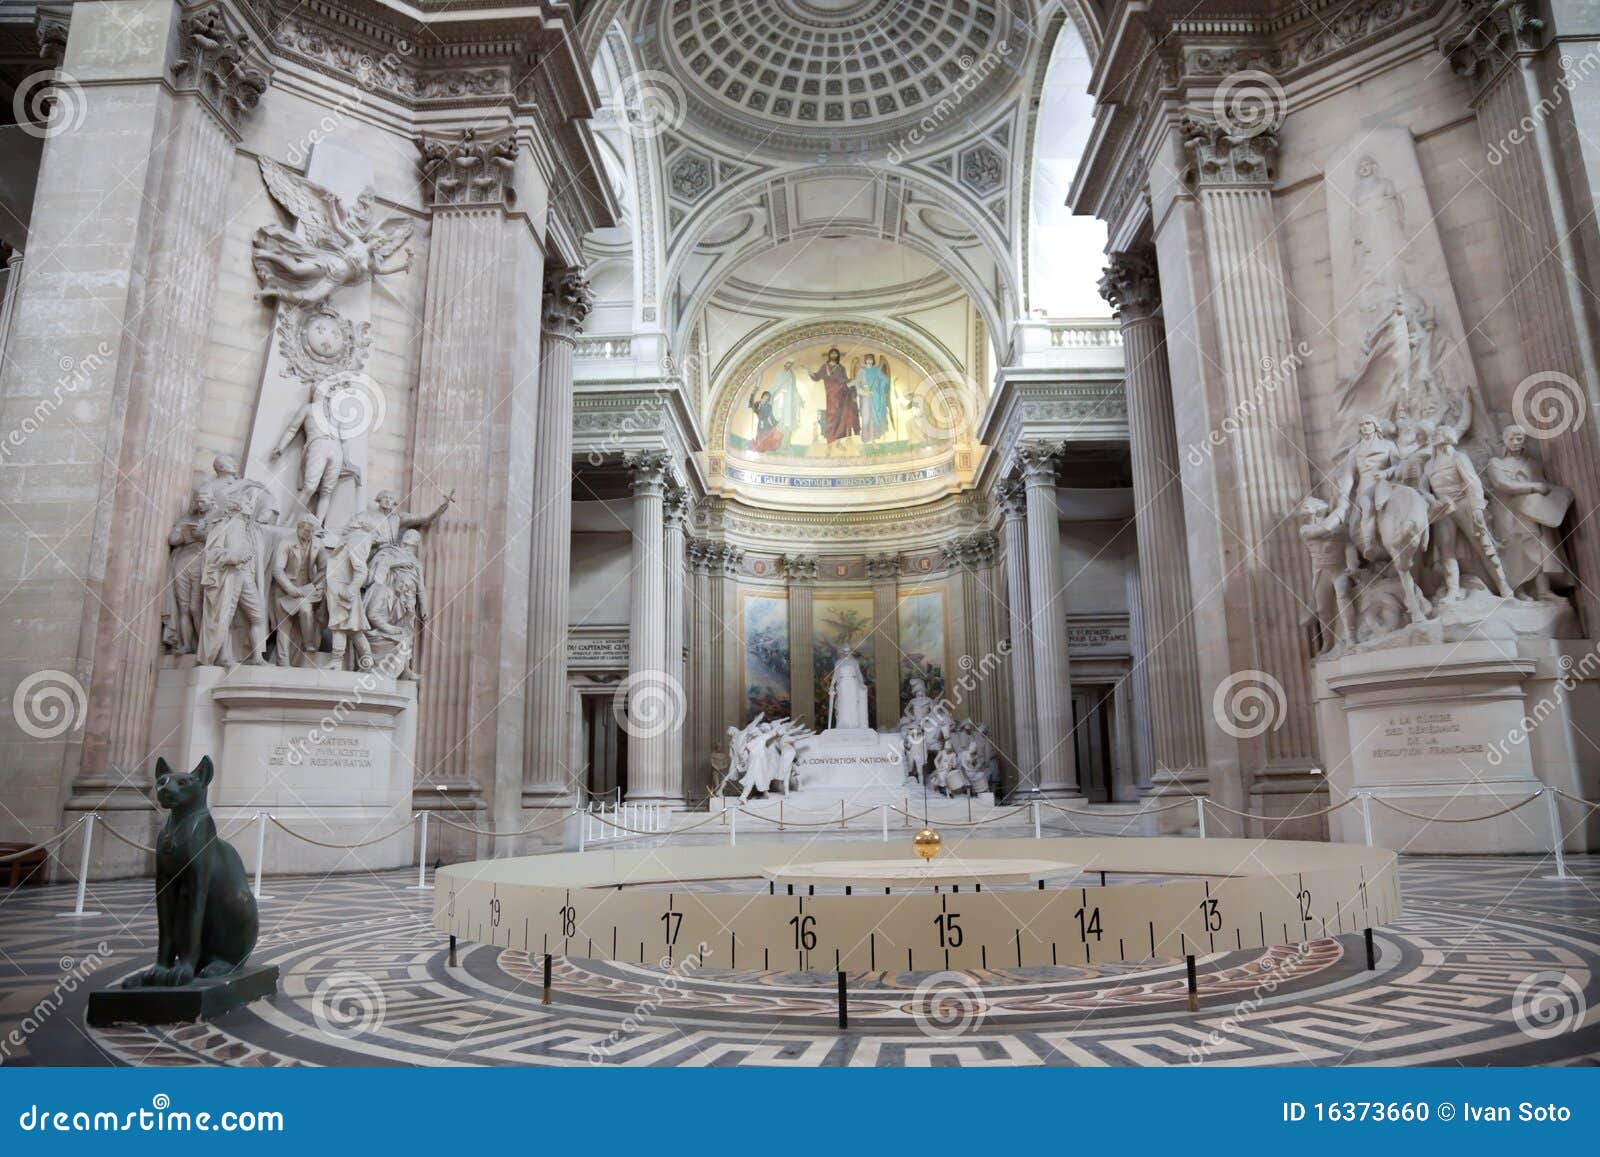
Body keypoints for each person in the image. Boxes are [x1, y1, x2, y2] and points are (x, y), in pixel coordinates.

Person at [1423, 424, 1513, 600]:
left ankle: (1504, 586)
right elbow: (1423, 487)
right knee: (1446, 551)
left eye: (1440, 433)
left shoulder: (1458, 457)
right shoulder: (1429, 465)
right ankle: (1453, 590)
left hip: (1463, 504)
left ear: (1447, 437)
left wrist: (1477, 507)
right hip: (1443, 510)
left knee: (1483, 546)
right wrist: (1432, 500)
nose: (1436, 436)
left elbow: (1473, 483)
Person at [1487, 424, 1572, 600]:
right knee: (1514, 551)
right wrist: (1532, 486)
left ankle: (1543, 591)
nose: (1516, 442)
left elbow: (1543, 486)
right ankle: (1520, 591)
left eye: (1519, 439)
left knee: (1537, 548)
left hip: (1530, 512)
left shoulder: (1532, 463)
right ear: (1504, 439)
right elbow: (1502, 484)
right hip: (1508, 512)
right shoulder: (1496, 463)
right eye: (1512, 438)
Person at [271, 514, 325, 666]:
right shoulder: (286, 542)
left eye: (311, 531)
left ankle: (309, 643)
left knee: (306, 610)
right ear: (299, 528)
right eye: (305, 530)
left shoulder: (317, 544)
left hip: (306, 589)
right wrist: (290, 588)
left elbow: (324, 567)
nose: (307, 534)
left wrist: (315, 584)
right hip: (285, 589)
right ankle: (283, 663)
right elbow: (277, 569)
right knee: (284, 627)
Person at [811, 347, 860, 444]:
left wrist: (849, 382)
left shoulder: (841, 368)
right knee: (832, 415)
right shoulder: (825, 367)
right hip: (832, 393)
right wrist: (809, 372)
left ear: (838, 355)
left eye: (836, 354)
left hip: (841, 394)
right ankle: (831, 439)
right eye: (832, 354)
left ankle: (838, 441)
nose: (834, 355)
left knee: (841, 415)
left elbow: (845, 379)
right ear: (829, 355)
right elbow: (817, 377)